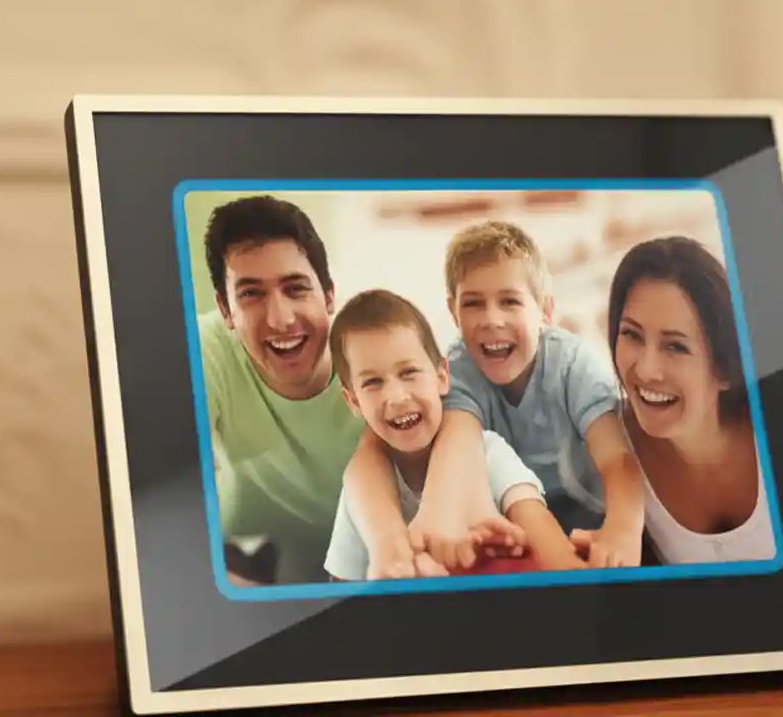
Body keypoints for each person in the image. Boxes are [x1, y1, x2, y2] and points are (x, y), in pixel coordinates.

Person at [342, 220, 646, 574]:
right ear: (453, 312)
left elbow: (616, 457)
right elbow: (459, 437)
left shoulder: (571, 363)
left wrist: (623, 531)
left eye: (509, 301)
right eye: (473, 304)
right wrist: (437, 515)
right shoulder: (457, 371)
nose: (492, 319)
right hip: (515, 523)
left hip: (592, 514)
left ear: (545, 310)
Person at [322, 289, 586, 580]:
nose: (396, 397)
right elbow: (341, 588)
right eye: (373, 382)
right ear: (354, 401)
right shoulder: (362, 491)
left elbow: (546, 540)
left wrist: (509, 547)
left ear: (442, 376)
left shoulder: (488, 452)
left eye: (409, 372)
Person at [198, 195, 392, 584]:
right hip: (249, 552)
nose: (280, 319)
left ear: (329, 295)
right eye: (251, 294)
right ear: (226, 310)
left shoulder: (379, 349)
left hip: (368, 556)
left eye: (296, 288)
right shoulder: (203, 349)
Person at [587, 236, 776, 564]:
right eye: (631, 334)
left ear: (725, 367)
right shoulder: (607, 444)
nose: (646, 370)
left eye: (675, 346)